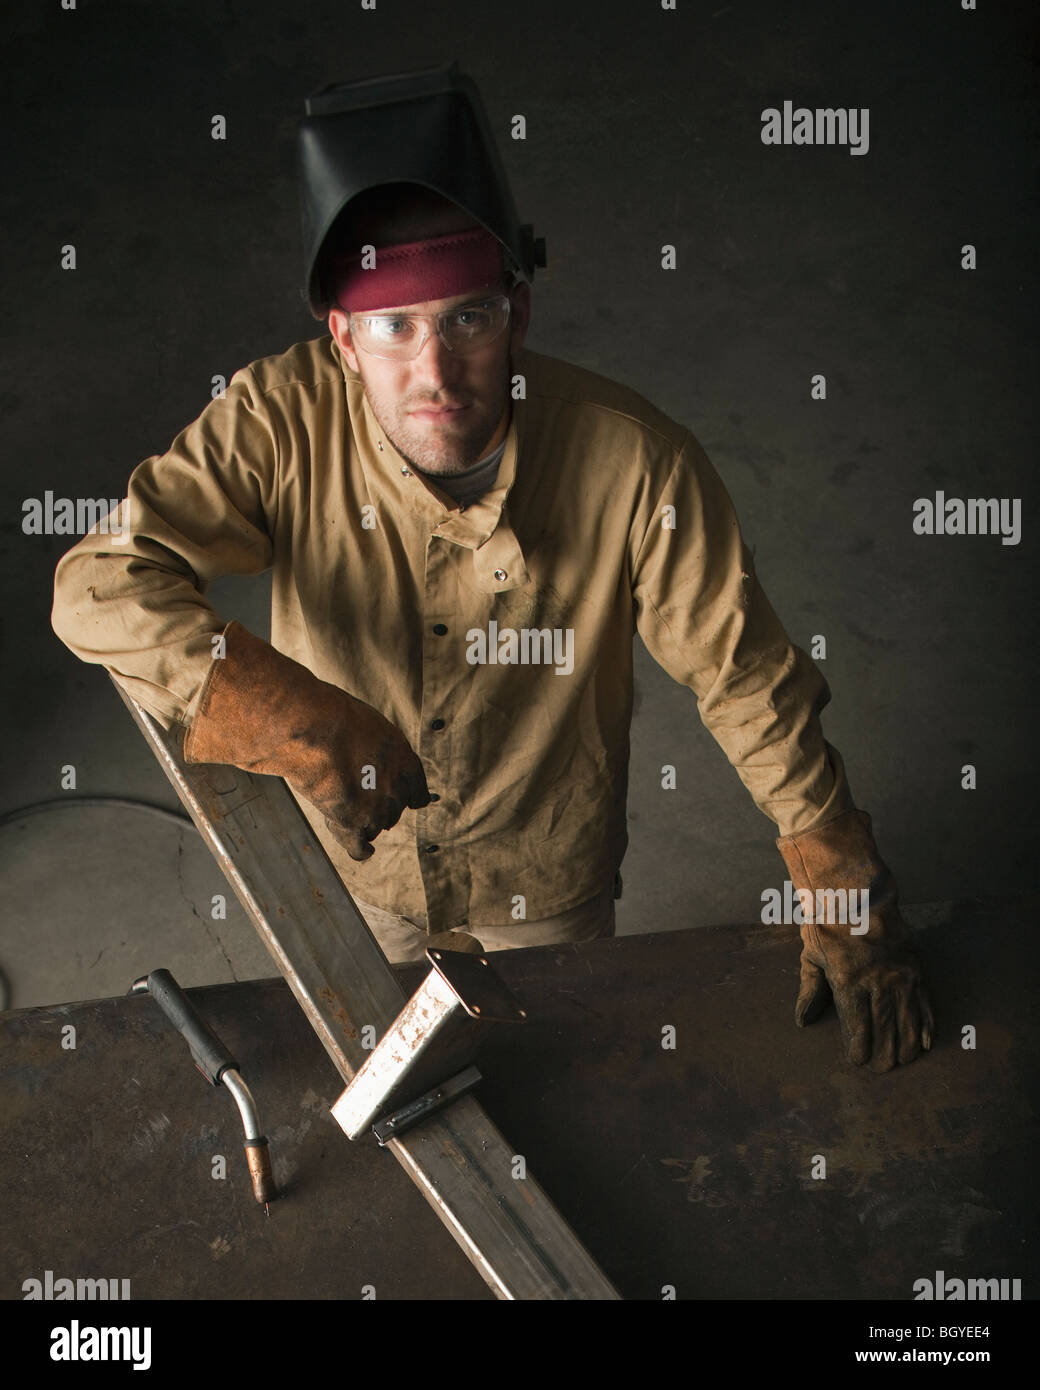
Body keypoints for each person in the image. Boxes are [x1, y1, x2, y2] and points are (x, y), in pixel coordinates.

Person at [51, 66, 932, 1071]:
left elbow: (743, 676)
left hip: (539, 879)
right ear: (341, 338)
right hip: (352, 866)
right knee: (372, 1096)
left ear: (517, 313)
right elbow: (97, 584)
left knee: (558, 1092)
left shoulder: (633, 460)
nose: (434, 372)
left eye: (465, 316)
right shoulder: (275, 423)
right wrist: (294, 716)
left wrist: (838, 876)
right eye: (392, 327)